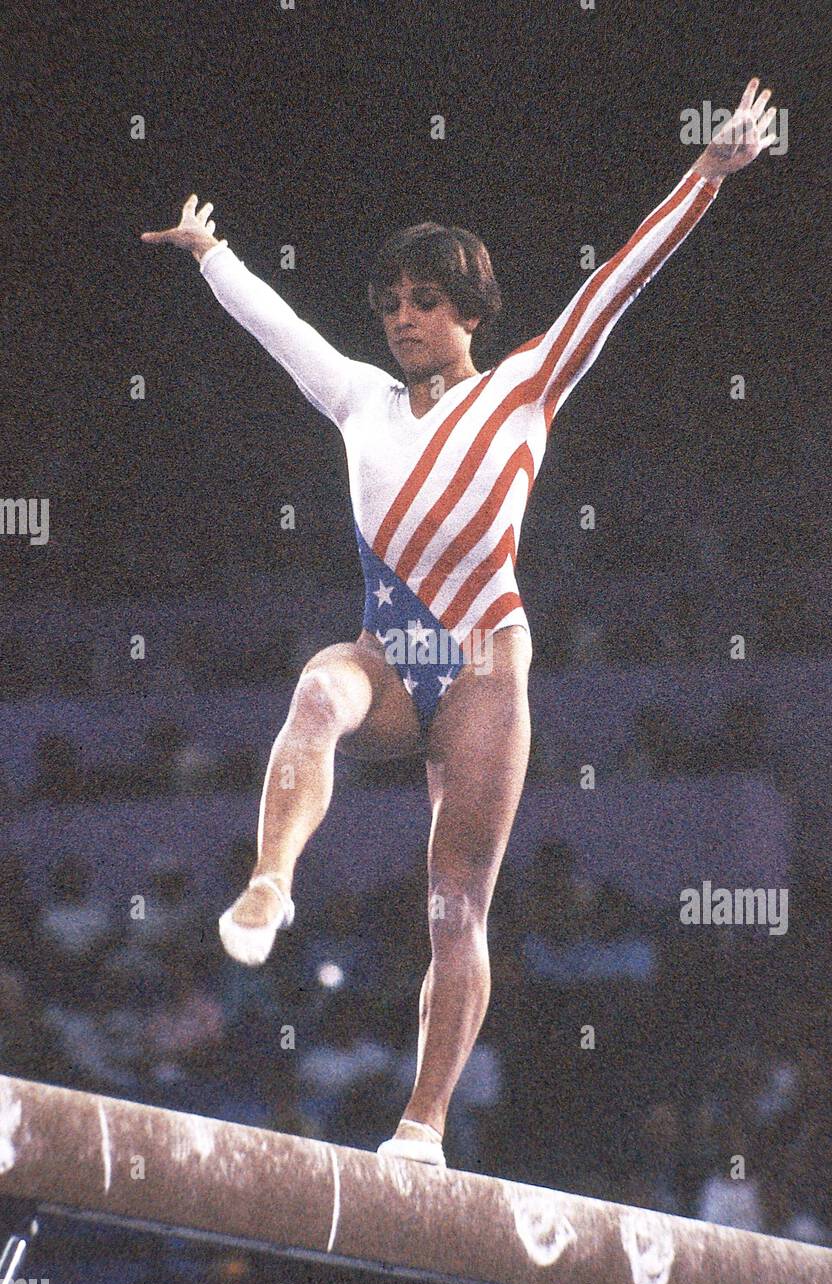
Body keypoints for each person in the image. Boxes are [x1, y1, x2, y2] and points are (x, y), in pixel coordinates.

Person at [141, 79, 778, 1167]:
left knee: (453, 906)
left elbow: (619, 281)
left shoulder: (526, 386)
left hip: (482, 665)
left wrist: (705, 174)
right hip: (392, 658)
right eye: (389, 300)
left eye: (424, 300)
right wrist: (209, 253)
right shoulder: (355, 398)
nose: (400, 318)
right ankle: (270, 880)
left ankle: (421, 1127)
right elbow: (274, 326)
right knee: (314, 689)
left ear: (470, 312)